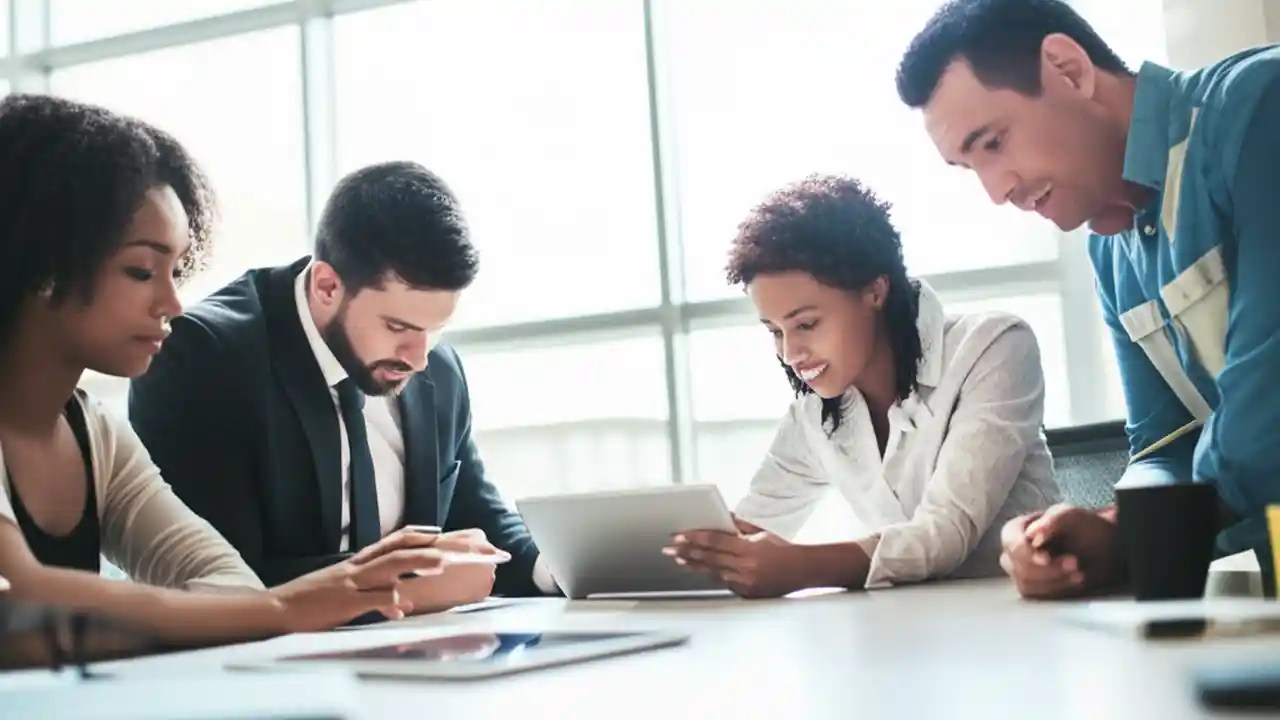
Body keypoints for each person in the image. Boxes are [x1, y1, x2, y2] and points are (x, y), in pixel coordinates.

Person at [0, 94, 486, 651]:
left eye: (177, 270)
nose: (173, 303)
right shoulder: (208, 357)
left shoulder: (97, 438)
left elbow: (230, 588)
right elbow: (18, 606)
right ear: (43, 263)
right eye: (141, 270)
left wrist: (279, 605)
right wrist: (294, 603)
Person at [897, 0, 1280, 598]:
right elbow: (1162, 444)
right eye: (968, 167)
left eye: (993, 143)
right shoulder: (1110, 252)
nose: (997, 191)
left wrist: (1127, 534)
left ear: (1069, 69)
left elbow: (1267, 411)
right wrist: (1076, 538)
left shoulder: (1261, 104)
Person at [129, 160, 555, 610]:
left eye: (437, 328)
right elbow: (214, 577)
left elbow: (477, 519)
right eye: (398, 326)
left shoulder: (436, 366)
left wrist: (557, 568)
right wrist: (408, 584)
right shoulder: (203, 357)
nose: (419, 356)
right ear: (327, 286)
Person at [665, 175, 1059, 597]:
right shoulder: (815, 412)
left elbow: (945, 533)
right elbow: (752, 527)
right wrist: (697, 550)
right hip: (904, 633)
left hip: (1016, 623)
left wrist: (801, 567)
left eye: (806, 324)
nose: (790, 352)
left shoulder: (993, 347)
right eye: (775, 331)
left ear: (874, 291)